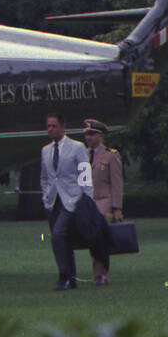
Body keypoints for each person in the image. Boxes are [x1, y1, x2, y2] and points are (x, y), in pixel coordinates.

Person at [39, 112, 93, 290]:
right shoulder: (45, 150)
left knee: (58, 235)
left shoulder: (77, 147)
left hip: (72, 200)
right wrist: (46, 195)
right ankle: (71, 278)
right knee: (64, 240)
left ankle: (63, 276)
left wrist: (87, 200)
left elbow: (85, 174)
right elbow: (45, 177)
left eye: (54, 126)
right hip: (53, 200)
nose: (50, 129)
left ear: (63, 127)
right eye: (48, 126)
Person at [82, 118, 123, 285]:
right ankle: (97, 275)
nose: (88, 137)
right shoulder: (83, 154)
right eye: (87, 134)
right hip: (88, 204)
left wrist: (117, 207)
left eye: (92, 134)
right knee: (92, 240)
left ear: (100, 136)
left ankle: (102, 274)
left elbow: (117, 183)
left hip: (104, 203)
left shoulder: (110, 155)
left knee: (101, 240)